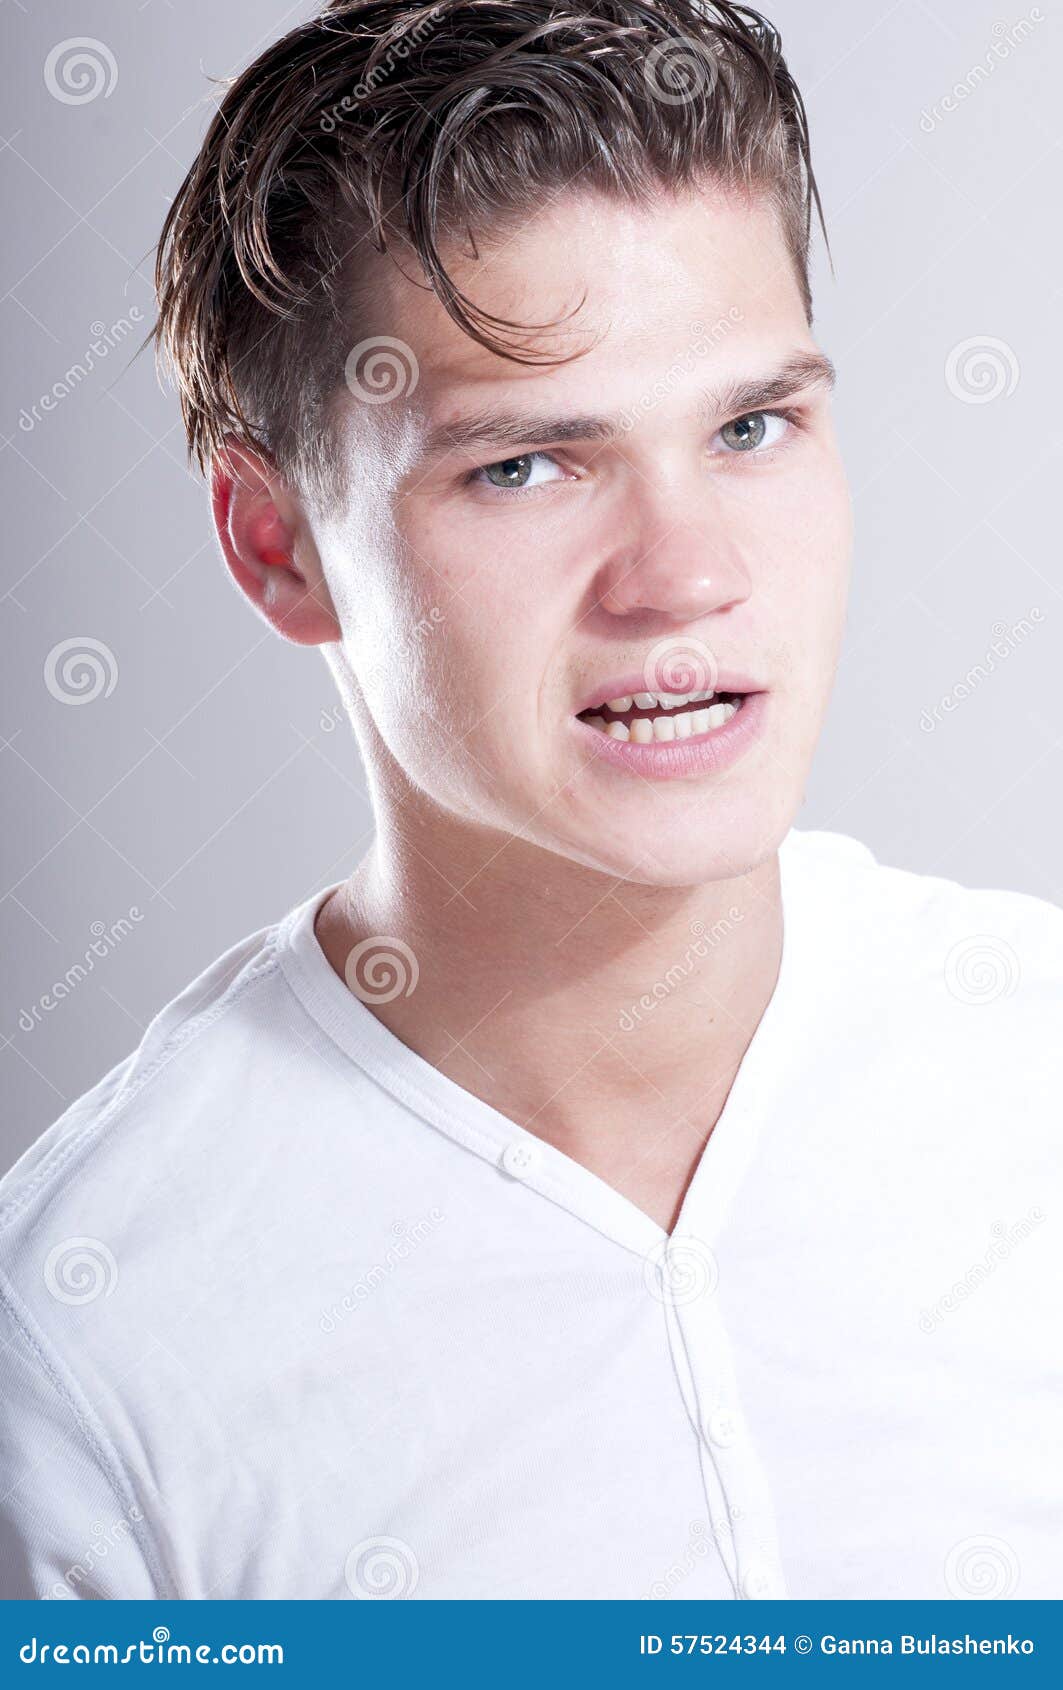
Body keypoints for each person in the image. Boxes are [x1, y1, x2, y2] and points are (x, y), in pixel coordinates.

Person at [1, 0, 1059, 1603]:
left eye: (751, 427)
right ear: (274, 540)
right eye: (525, 465)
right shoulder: (86, 1343)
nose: (688, 576)